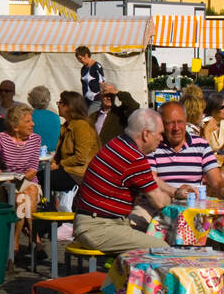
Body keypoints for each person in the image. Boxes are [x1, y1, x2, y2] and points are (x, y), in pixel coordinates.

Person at [72, 108, 174, 256]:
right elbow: (160, 203)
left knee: (150, 232)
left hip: (92, 221)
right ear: (146, 134)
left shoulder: (118, 143)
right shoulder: (134, 158)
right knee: (162, 248)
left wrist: (174, 191)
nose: (162, 139)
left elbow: (148, 179)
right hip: (98, 227)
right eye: (159, 134)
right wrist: (173, 198)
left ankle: (130, 278)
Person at [148, 101, 224, 202]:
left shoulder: (201, 145)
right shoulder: (153, 147)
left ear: (186, 121)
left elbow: (217, 181)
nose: (176, 128)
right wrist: (176, 192)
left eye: (180, 122)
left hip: (192, 208)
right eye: (170, 123)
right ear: (161, 124)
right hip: (162, 206)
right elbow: (151, 180)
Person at [0, 103, 43, 250]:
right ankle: (33, 238)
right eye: (28, 121)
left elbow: (33, 170)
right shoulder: (1, 138)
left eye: (31, 120)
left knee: (29, 192)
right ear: (15, 127)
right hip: (6, 182)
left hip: (27, 180)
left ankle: (15, 243)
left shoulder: (35, 139)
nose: (33, 124)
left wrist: (18, 180)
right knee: (23, 197)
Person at [51, 91, 99, 195]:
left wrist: (59, 165)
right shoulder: (66, 125)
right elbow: (60, 152)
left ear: (67, 107)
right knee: (41, 178)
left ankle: (47, 207)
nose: (58, 106)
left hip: (79, 173)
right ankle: (47, 206)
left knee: (44, 179)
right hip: (69, 170)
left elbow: (80, 157)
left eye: (60, 103)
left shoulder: (82, 126)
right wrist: (54, 162)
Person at [27, 85, 62, 152]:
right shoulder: (55, 117)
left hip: (33, 155)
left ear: (31, 99)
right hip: (53, 155)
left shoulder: (27, 116)